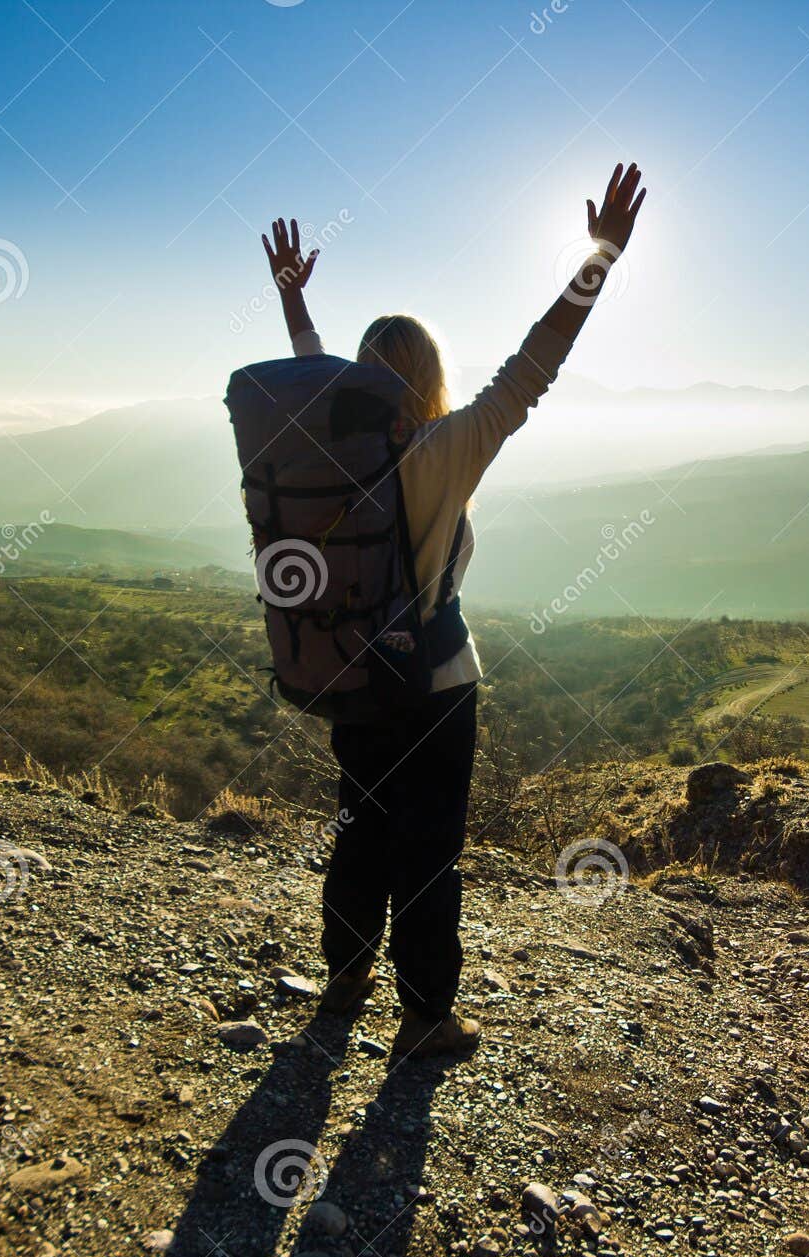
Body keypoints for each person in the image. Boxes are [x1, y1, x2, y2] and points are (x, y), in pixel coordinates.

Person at [258, 164, 647, 1061]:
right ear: (430, 378)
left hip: (354, 675)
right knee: (429, 847)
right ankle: (426, 1014)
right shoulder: (446, 448)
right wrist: (600, 258)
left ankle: (345, 973)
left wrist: (292, 301)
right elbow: (531, 368)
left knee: (362, 824)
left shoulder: (327, 458)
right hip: (433, 684)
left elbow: (313, 374)